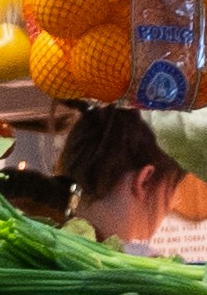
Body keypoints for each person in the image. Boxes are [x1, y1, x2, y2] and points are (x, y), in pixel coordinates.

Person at [60, 105, 187, 250]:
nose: (162, 219)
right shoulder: (137, 268)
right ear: (144, 180)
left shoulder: (41, 245)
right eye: (167, 204)